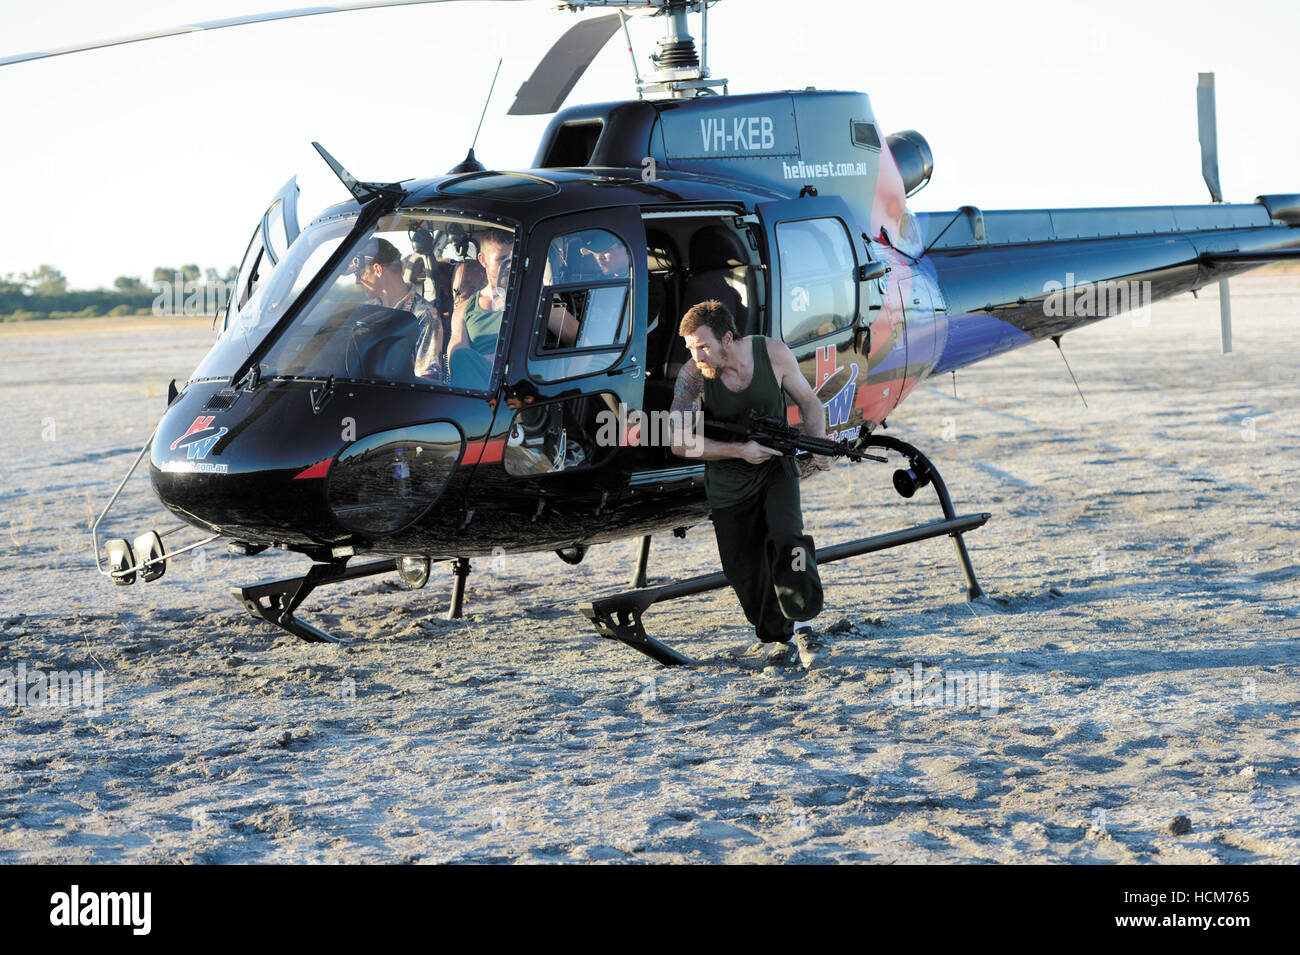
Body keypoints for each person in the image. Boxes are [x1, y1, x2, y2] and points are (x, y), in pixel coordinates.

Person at [668, 299, 832, 667]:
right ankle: (778, 638)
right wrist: (739, 451)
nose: (697, 356)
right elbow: (680, 442)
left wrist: (818, 444)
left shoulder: (772, 353)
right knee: (743, 572)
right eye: (691, 348)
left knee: (788, 539)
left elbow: (810, 404)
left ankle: (805, 624)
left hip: (776, 468)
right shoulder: (693, 378)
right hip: (729, 485)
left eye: (703, 346)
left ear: (728, 338)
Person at [345, 236, 446, 381]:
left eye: (360, 274)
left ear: (378, 270)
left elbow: (428, 378)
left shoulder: (424, 315)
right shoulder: (367, 311)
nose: (357, 282)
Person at [446, 228, 513, 390]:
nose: (510, 266)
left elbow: (582, 340)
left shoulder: (535, 298)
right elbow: (456, 360)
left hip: (521, 384)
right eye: (502, 260)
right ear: (483, 260)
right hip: (482, 389)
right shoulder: (464, 309)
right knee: (461, 357)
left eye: (513, 259)